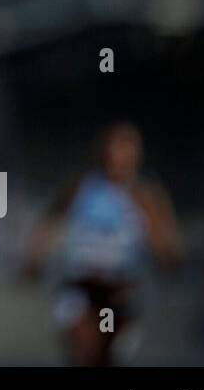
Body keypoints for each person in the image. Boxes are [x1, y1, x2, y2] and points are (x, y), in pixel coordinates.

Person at [25, 122, 182, 366]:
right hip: (80, 285)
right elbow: (50, 221)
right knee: (83, 345)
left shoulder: (145, 195)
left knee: (106, 355)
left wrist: (164, 250)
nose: (119, 156)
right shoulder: (81, 187)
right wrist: (35, 258)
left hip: (120, 292)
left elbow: (168, 250)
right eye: (116, 147)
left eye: (127, 148)